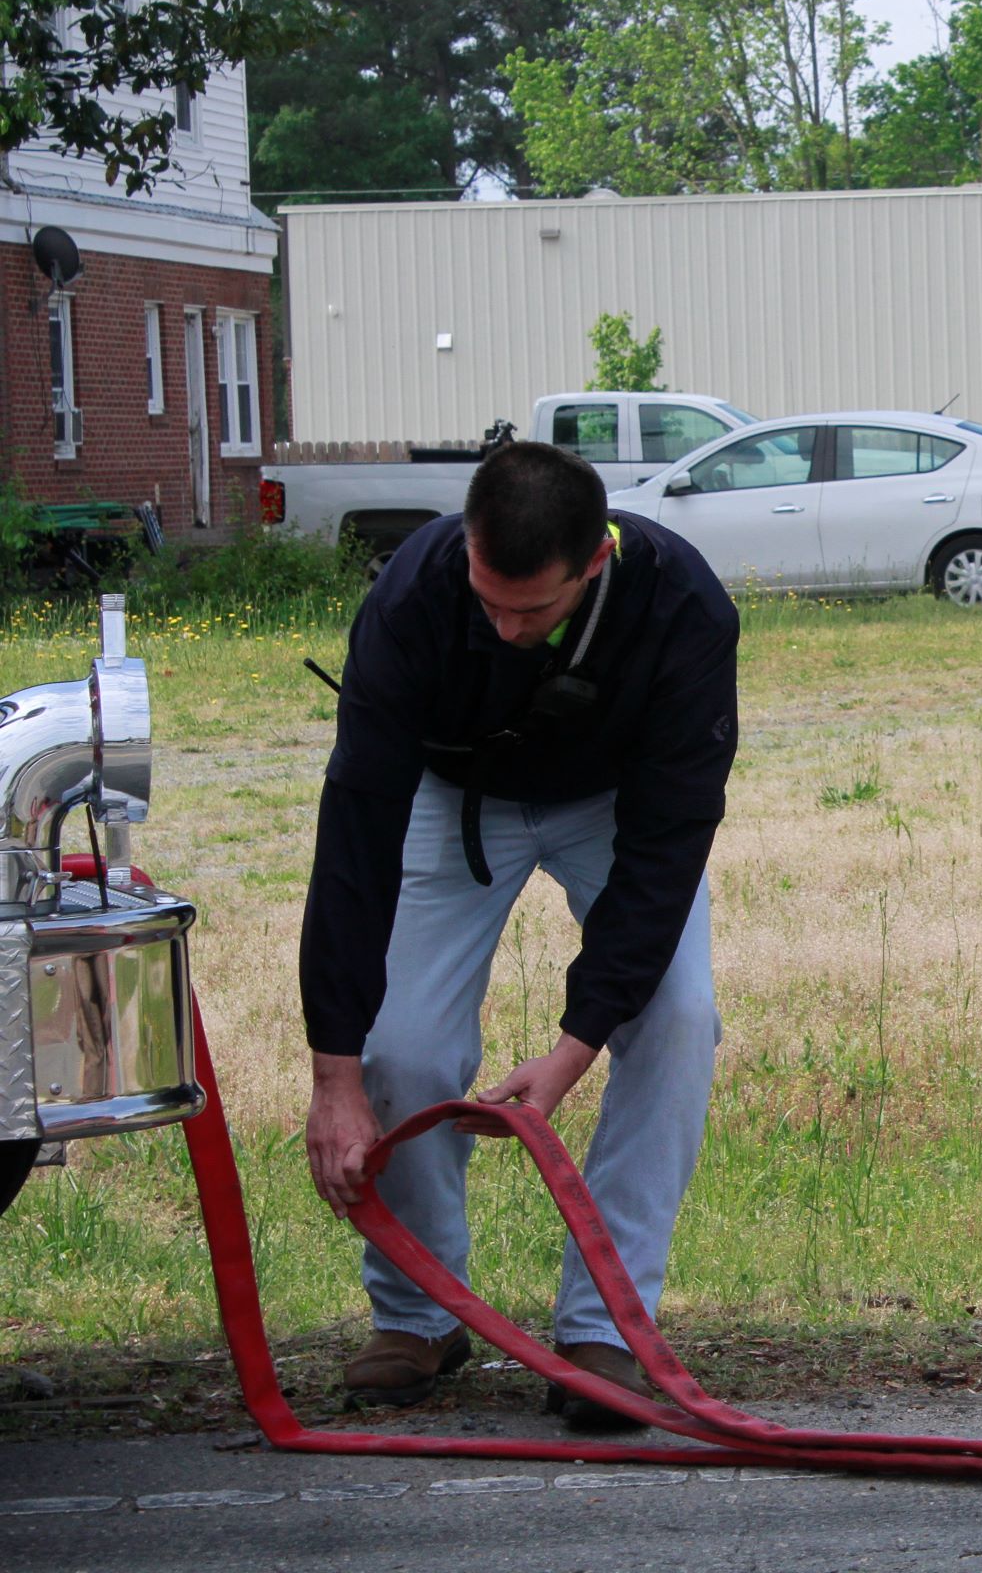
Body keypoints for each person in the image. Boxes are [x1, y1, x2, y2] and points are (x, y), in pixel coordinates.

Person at [299, 441, 740, 1430]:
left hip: (614, 805)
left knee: (676, 1018)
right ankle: (420, 1314)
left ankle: (607, 1326)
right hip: (453, 795)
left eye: (530, 612)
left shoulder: (684, 610)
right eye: (486, 599)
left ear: (594, 565)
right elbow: (356, 833)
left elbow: (667, 850)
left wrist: (573, 1046)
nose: (501, 629)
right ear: (464, 544)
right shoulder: (412, 597)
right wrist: (333, 1076)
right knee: (403, 1047)